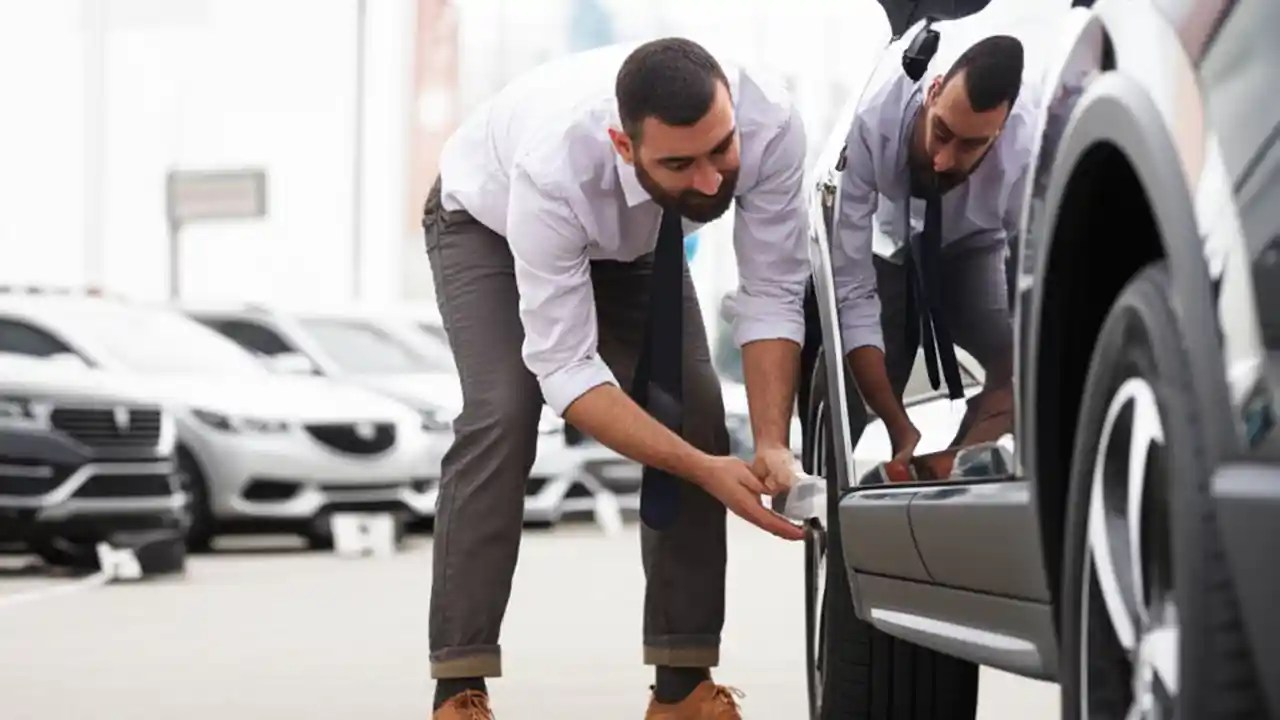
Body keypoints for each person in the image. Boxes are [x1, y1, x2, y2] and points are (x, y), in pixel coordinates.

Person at [421, 37, 810, 719]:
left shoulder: (771, 120)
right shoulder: (554, 167)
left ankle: (681, 690)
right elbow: (566, 371)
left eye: (721, 150)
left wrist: (772, 442)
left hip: (628, 245)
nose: (712, 183)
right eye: (681, 164)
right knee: (502, 414)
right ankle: (459, 687)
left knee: (695, 411)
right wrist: (701, 469)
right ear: (624, 147)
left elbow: (773, 288)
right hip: (483, 224)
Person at [832, 32, 1039, 477]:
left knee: (1027, 354)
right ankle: (835, 490)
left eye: (970, 146)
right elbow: (851, 290)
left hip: (972, 246)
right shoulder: (874, 118)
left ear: (999, 131)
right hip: (885, 245)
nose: (945, 160)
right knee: (867, 358)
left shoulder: (1030, 146)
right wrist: (896, 422)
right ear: (934, 88)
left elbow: (1037, 284)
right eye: (941, 133)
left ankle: (949, 469)